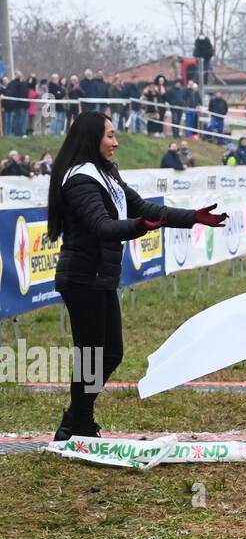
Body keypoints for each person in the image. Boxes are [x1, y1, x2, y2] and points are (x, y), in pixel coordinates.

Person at [48, 112, 226, 439]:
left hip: (100, 277)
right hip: (82, 278)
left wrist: (193, 218)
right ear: (92, 139)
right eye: (110, 136)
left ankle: (76, 419)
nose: (116, 143)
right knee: (91, 354)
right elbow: (103, 227)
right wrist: (138, 227)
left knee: (111, 352)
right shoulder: (80, 179)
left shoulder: (106, 173)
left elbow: (143, 208)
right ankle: (77, 424)